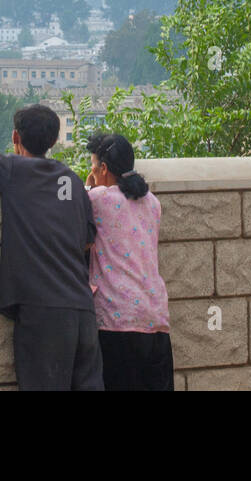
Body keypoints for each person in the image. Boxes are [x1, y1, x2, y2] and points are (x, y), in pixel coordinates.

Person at [0, 103, 102, 390]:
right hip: (83, 311)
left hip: (43, 312)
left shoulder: (13, 169)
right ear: (53, 141)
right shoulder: (72, 180)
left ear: (16, 138)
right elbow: (88, 239)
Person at [84, 132, 173, 390]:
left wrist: (89, 185)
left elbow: (72, 206)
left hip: (117, 319)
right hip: (155, 318)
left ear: (103, 168)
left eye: (93, 167)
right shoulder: (153, 203)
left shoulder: (99, 198)